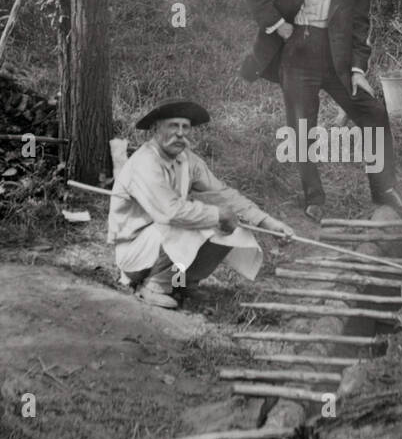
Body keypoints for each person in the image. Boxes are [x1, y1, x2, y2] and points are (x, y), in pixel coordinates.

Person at [242, 0, 402, 222]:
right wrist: (277, 24)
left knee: (373, 112)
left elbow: (360, 27)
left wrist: (358, 70)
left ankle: (384, 192)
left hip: (337, 58)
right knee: (302, 126)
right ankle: (314, 196)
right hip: (298, 52)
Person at [108, 99, 294, 309]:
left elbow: (223, 194)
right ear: (156, 129)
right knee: (192, 222)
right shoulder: (145, 162)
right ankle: (154, 286)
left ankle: (181, 284)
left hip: (161, 242)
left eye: (185, 127)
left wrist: (267, 223)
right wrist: (217, 215)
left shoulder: (186, 159)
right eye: (173, 126)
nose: (180, 133)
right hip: (134, 252)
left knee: (233, 230)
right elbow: (170, 213)